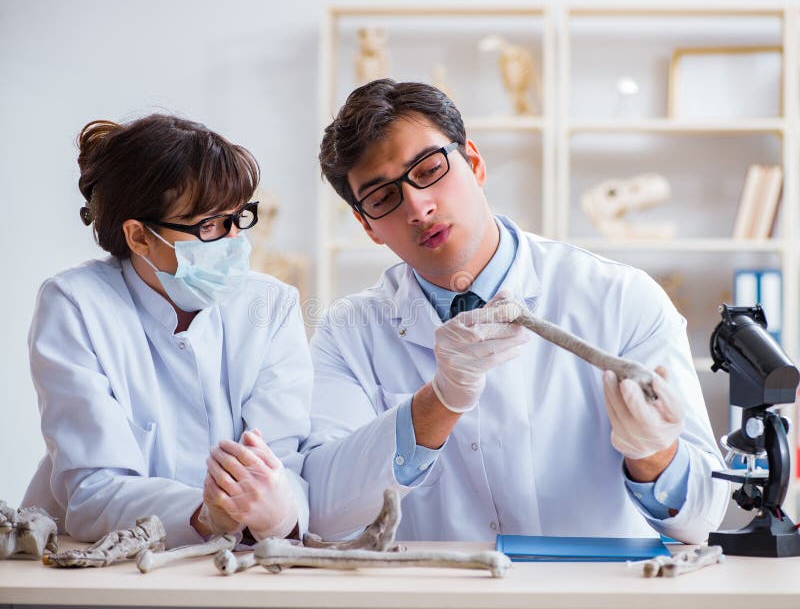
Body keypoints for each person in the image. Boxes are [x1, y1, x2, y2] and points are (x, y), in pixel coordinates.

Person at [302, 79, 728, 544]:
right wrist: (438, 401)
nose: (418, 207)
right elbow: (323, 511)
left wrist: (652, 454)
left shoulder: (620, 298)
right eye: (383, 198)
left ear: (475, 163)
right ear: (368, 226)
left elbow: (703, 515)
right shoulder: (349, 332)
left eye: (427, 170)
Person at [22, 114, 312, 547]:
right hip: (101, 568)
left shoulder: (269, 307)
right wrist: (204, 514)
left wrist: (279, 511)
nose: (234, 241)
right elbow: (94, 492)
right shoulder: (75, 304)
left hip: (246, 566)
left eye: (238, 217)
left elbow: (286, 465)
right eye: (209, 225)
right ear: (139, 237)